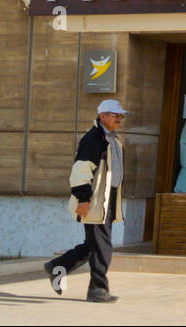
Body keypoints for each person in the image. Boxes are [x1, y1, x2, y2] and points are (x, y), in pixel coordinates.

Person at [43, 99, 128, 303]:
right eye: (115, 115)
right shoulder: (93, 139)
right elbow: (81, 170)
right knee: (102, 246)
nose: (119, 119)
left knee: (94, 245)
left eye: (121, 116)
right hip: (94, 200)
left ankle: (58, 266)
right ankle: (97, 290)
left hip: (108, 200)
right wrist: (83, 198)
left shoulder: (114, 140)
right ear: (102, 116)